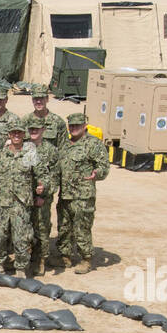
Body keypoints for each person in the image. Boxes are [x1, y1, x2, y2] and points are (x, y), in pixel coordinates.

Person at [0, 122, 37, 276]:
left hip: (21, 203)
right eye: (13, 133)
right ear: (9, 135)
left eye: (19, 133)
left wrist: (42, 190)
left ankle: (20, 267)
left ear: (24, 135)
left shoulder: (29, 154)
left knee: (21, 237)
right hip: (2, 202)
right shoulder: (1, 155)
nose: (16, 135)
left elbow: (40, 175)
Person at [57, 112, 109, 274]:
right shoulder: (65, 144)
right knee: (64, 226)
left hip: (83, 195)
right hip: (65, 193)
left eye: (77, 126)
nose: (73, 129)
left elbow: (104, 166)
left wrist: (97, 174)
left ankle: (86, 258)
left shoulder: (93, 144)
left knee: (82, 227)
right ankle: (65, 256)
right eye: (71, 126)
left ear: (85, 126)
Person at [24, 113, 60, 276]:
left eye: (36, 129)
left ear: (43, 129)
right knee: (24, 229)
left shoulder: (51, 150)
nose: (33, 131)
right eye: (31, 129)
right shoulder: (23, 147)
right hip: (23, 197)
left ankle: (41, 260)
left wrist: (44, 194)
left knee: (41, 229)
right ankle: (26, 258)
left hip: (41, 198)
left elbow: (55, 176)